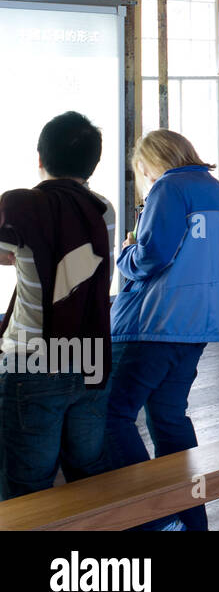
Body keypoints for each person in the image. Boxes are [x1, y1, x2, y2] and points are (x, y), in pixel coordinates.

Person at [107, 129, 219, 530]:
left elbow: (152, 256)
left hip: (155, 322)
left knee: (111, 415)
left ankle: (156, 518)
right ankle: (191, 520)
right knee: (170, 419)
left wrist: (125, 254)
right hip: (198, 325)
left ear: (148, 164)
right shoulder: (214, 190)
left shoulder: (167, 188)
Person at [0, 112, 115, 499]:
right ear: (93, 163)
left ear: (39, 158)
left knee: (27, 485)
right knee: (88, 475)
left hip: (32, 360)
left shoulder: (20, 208)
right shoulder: (104, 210)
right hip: (90, 356)